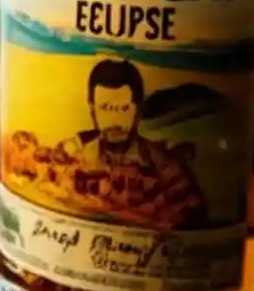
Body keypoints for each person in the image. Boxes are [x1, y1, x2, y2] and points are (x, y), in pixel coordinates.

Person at [56, 58, 208, 228]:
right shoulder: (75, 159)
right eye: (106, 108)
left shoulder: (164, 165)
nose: (115, 120)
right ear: (92, 109)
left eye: (124, 109)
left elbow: (193, 218)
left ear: (138, 110)